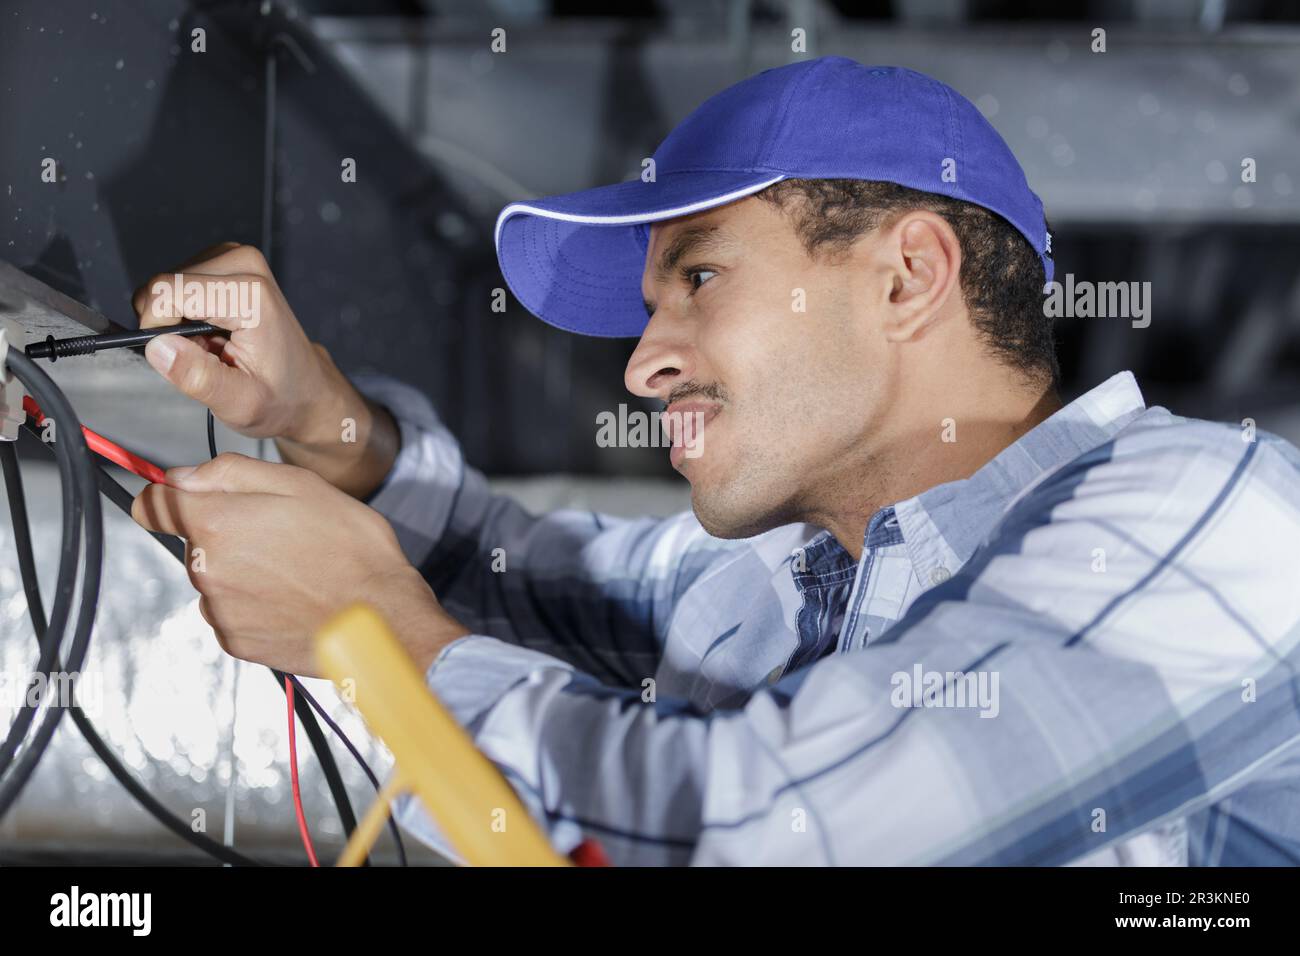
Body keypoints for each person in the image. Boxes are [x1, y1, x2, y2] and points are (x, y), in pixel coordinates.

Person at [132, 57, 1300, 865]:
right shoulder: (795, 584)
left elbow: (774, 831)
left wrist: (376, 636)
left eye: (696, 278)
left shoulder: (1217, 518)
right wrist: (318, 412)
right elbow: (510, 577)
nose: (641, 366)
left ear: (909, 277)